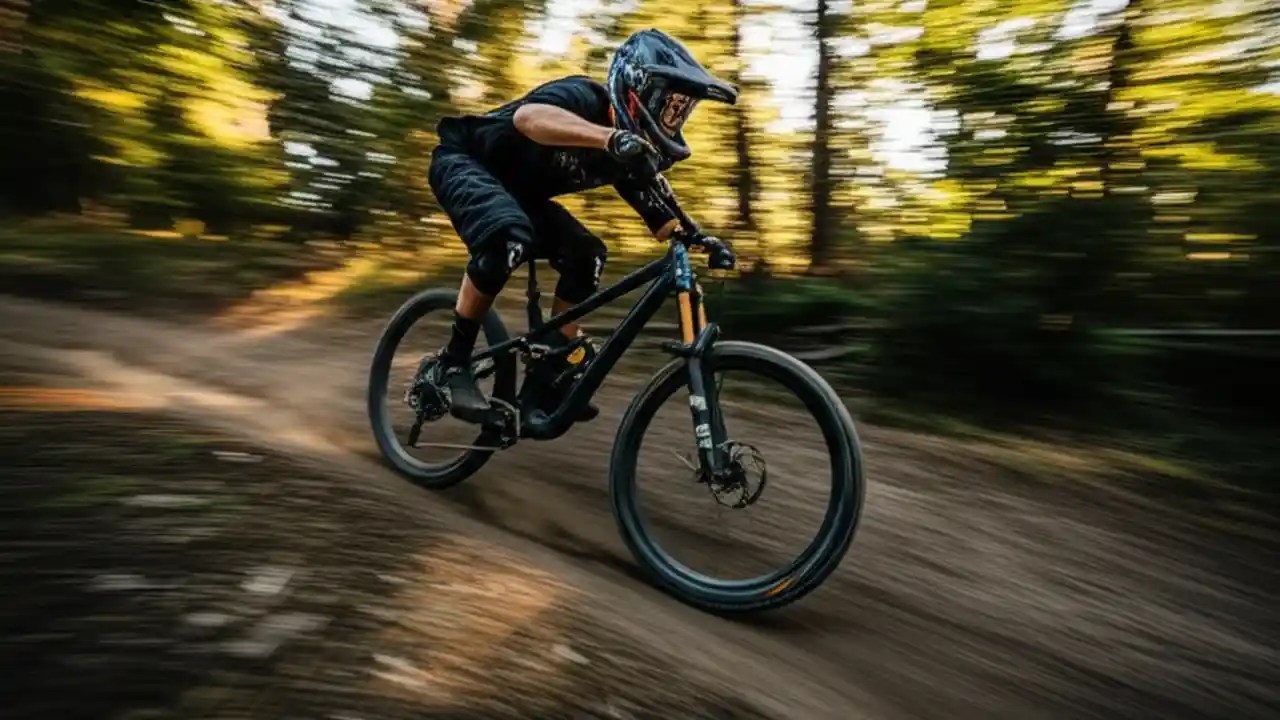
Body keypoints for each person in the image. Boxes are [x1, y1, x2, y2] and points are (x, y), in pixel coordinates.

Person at [426, 29, 737, 423]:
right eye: (670, 105)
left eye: (681, 110)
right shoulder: (585, 98)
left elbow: (661, 215)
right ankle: (452, 363)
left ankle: (549, 366)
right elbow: (528, 117)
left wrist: (697, 237)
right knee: (508, 237)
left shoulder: (626, 154)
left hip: (520, 197)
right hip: (465, 161)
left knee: (587, 254)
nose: (673, 117)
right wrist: (610, 139)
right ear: (637, 89)